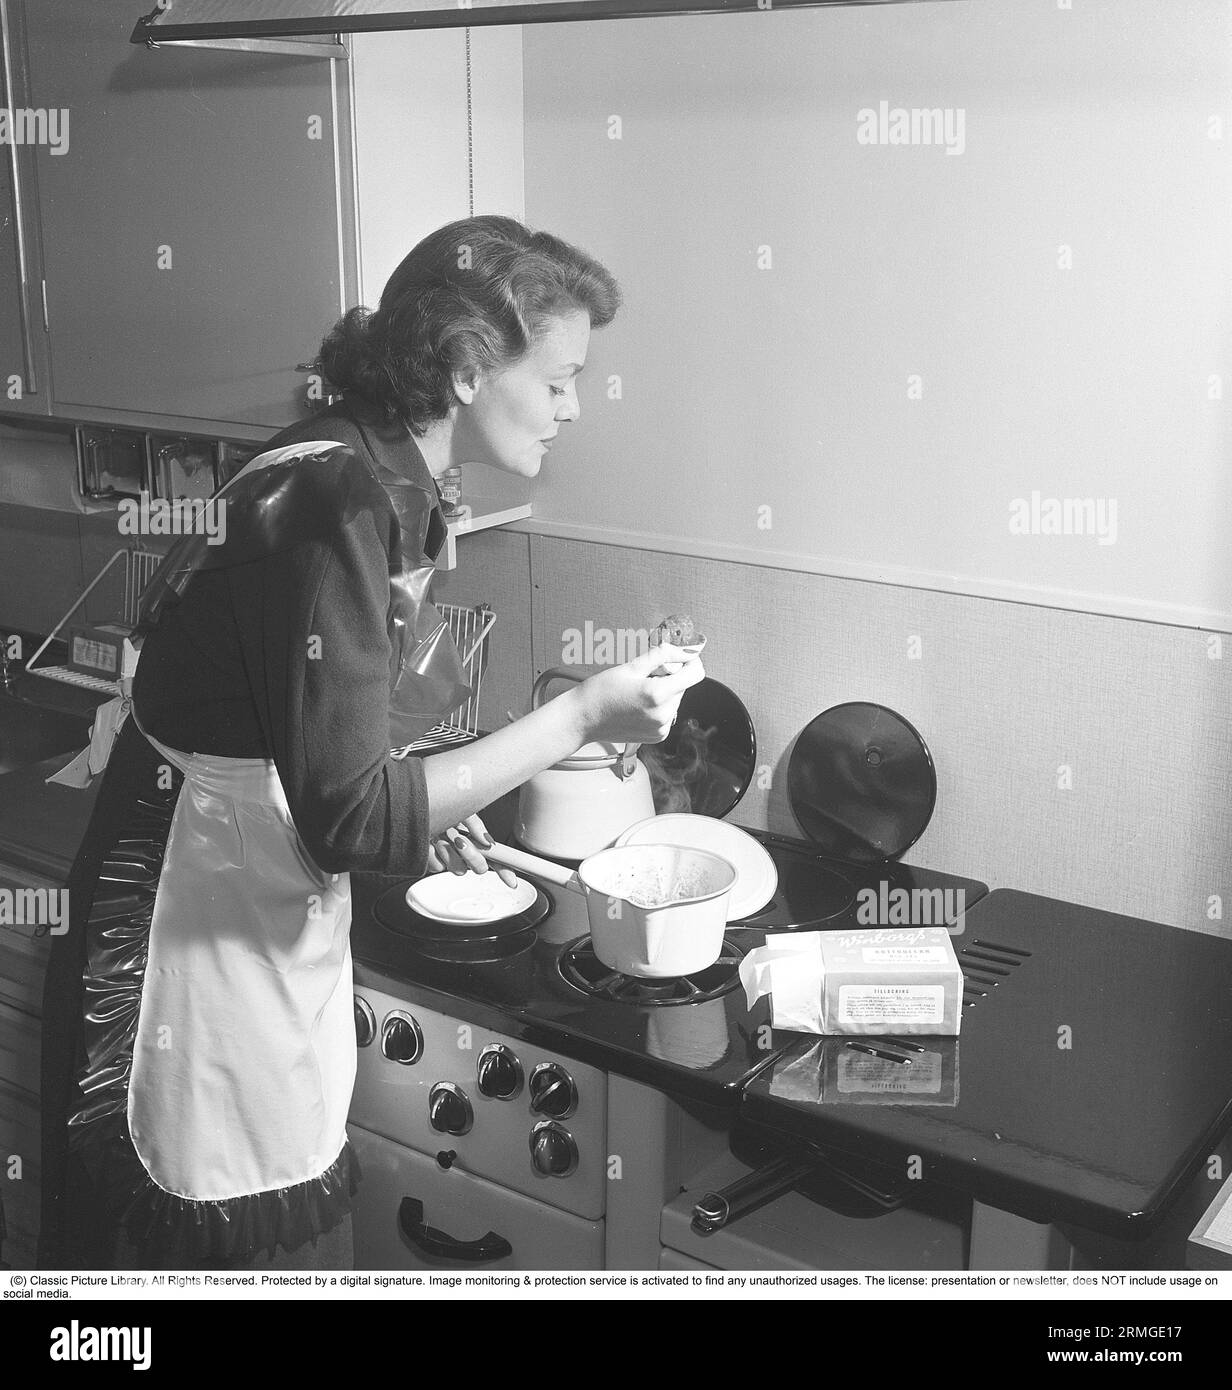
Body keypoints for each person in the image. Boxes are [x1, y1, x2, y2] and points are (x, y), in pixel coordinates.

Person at [38, 216, 704, 1270]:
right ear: (466, 363)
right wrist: (578, 715)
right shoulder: (334, 499)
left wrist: (419, 807)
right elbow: (347, 812)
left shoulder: (365, 471)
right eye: (562, 376)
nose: (576, 406)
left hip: (253, 915)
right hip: (191, 953)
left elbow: (324, 753)